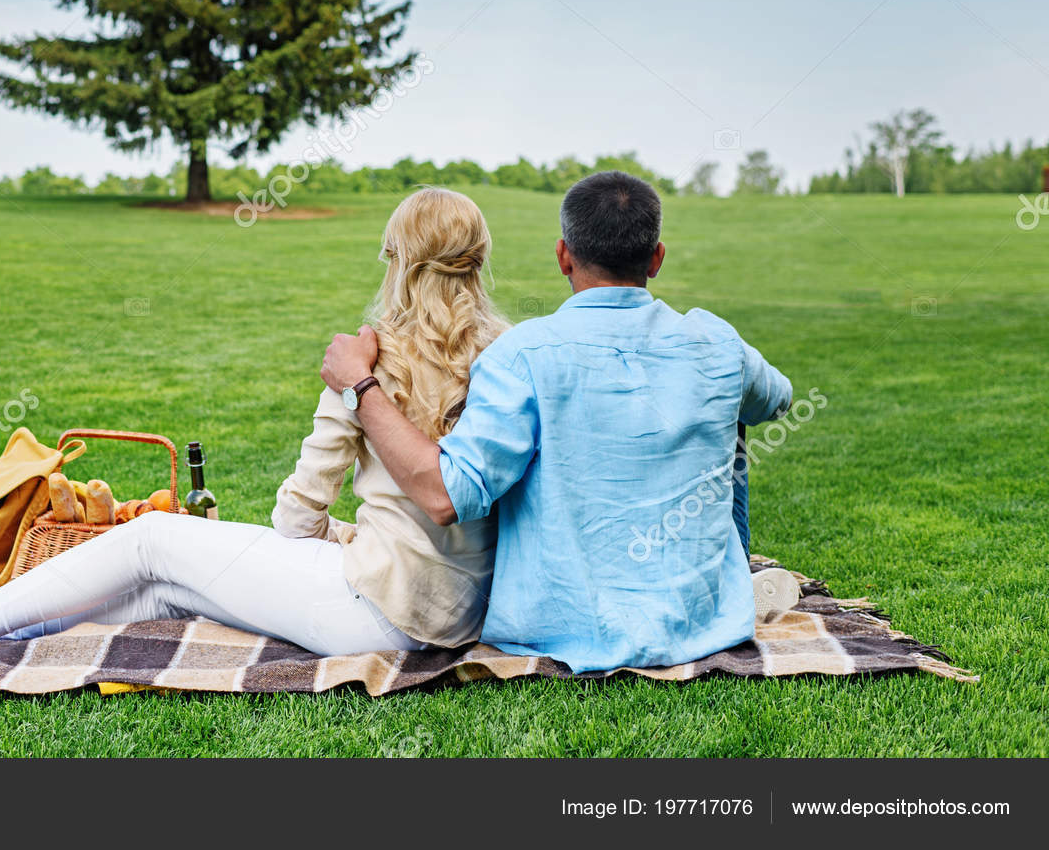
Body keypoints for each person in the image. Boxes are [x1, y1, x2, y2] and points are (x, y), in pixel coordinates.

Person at [0, 188, 507, 663]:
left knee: (153, 537)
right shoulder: (507, 357)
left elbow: (297, 521)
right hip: (456, 614)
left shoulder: (366, 362)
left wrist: (345, 539)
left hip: (379, 613)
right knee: (163, 591)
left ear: (396, 261)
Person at [318, 171, 796, 673]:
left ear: (563, 256)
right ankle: (716, 587)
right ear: (657, 258)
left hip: (566, 632)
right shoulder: (717, 341)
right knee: (732, 413)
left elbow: (444, 496)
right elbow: (777, 401)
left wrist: (359, 386)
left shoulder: (523, 356)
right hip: (701, 627)